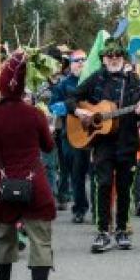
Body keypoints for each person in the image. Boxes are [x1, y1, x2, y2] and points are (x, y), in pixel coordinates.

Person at [0, 51, 57, 280]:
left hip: (2, 183)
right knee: (41, 240)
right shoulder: (35, 114)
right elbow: (48, 146)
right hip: (35, 184)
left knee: (3, 238)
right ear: (23, 84)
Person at [70, 38, 140, 254]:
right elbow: (72, 97)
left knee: (125, 187)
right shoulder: (96, 79)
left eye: (117, 56)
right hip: (103, 144)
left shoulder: (133, 80)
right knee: (103, 184)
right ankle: (103, 232)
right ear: (103, 59)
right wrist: (80, 112)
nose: (114, 59)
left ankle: (122, 230)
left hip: (127, 141)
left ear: (123, 58)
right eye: (109, 56)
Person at [49, 50, 91, 222]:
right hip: (72, 134)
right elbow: (53, 107)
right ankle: (79, 209)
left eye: (84, 60)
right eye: (76, 60)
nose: (80, 63)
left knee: (97, 173)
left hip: (95, 133)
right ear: (70, 64)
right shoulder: (63, 85)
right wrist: (73, 109)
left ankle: (100, 210)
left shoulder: (93, 81)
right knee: (76, 173)